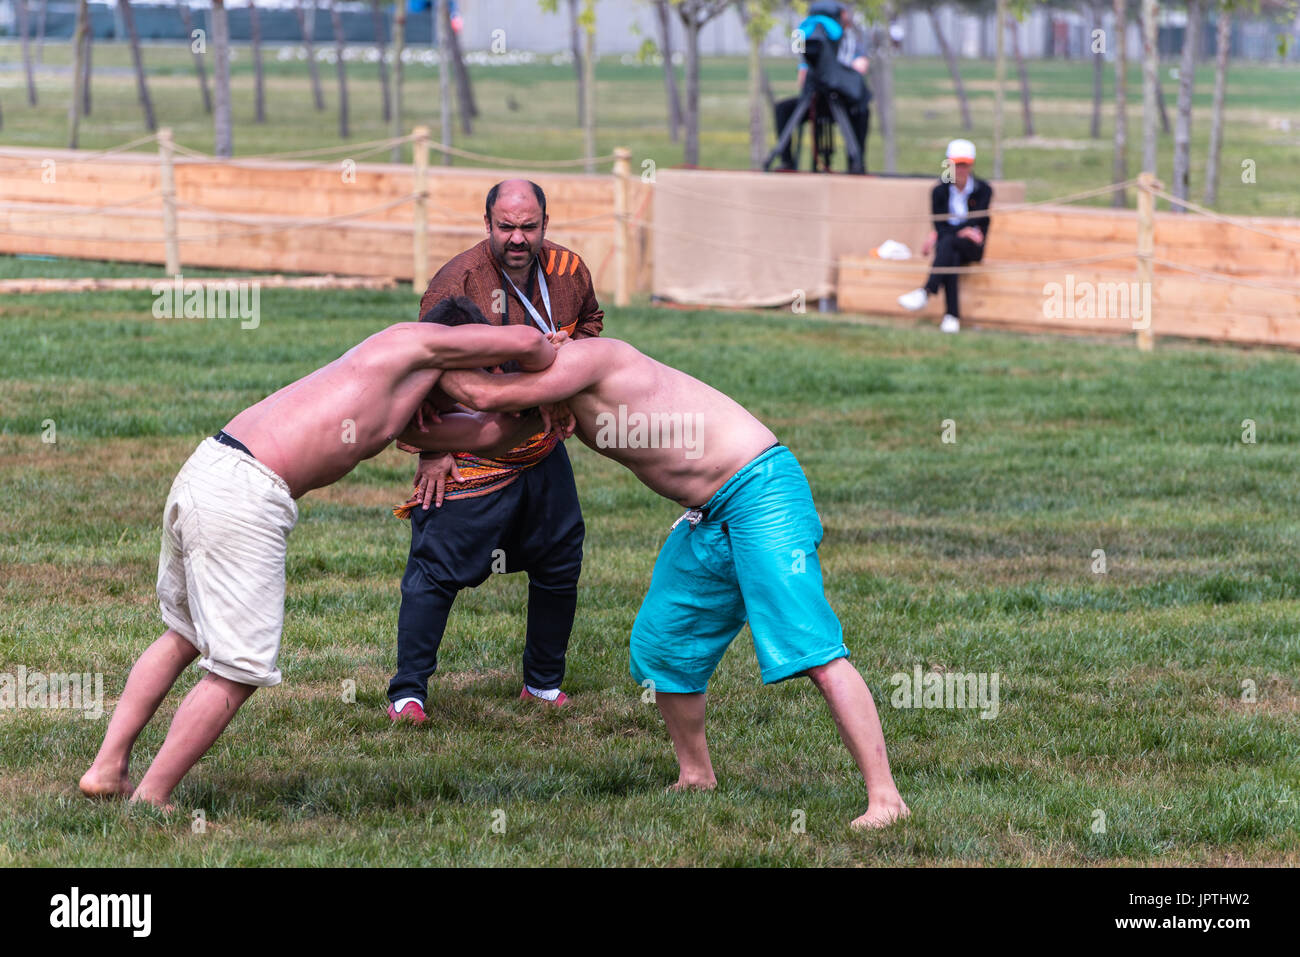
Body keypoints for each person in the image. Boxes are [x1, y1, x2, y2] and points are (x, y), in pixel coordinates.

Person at [436, 314, 909, 830]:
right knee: (664, 644)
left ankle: (886, 799)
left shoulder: (589, 357)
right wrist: (415, 432)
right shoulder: (549, 402)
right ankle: (696, 775)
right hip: (708, 514)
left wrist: (418, 356)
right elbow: (483, 430)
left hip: (760, 491)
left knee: (810, 647)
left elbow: (480, 396)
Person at [78, 312, 560, 809]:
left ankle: (106, 770)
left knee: (186, 633)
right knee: (240, 666)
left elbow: (489, 436)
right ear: (459, 349)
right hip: (246, 495)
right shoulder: (412, 341)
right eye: (476, 373)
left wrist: (542, 413)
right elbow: (525, 343)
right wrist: (557, 358)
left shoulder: (399, 398)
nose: (469, 392)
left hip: (211, 470)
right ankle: (152, 800)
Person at [385, 180, 604, 723]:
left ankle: (543, 684)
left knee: (560, 557)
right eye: (505, 226)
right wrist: (431, 451)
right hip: (472, 451)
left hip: (542, 444)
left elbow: (593, 325)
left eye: (528, 226)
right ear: (487, 225)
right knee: (436, 568)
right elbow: (422, 370)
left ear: (545, 224)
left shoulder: (571, 273)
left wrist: (573, 355)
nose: (517, 237)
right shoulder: (454, 284)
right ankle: (407, 693)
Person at [897, 138, 994, 334]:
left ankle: (926, 291)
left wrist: (943, 233)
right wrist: (960, 230)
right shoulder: (939, 191)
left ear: (971, 165)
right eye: (957, 164)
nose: (960, 169)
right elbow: (940, 225)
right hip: (951, 246)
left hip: (973, 247)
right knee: (951, 253)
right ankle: (951, 317)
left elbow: (977, 222)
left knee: (946, 243)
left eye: (964, 165)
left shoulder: (983, 190)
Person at [772, 0, 871, 173]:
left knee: (862, 110)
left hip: (842, 98)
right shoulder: (807, 37)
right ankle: (787, 161)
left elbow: (862, 66)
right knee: (783, 109)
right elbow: (802, 76)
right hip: (814, 98)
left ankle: (856, 164)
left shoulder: (849, 39)